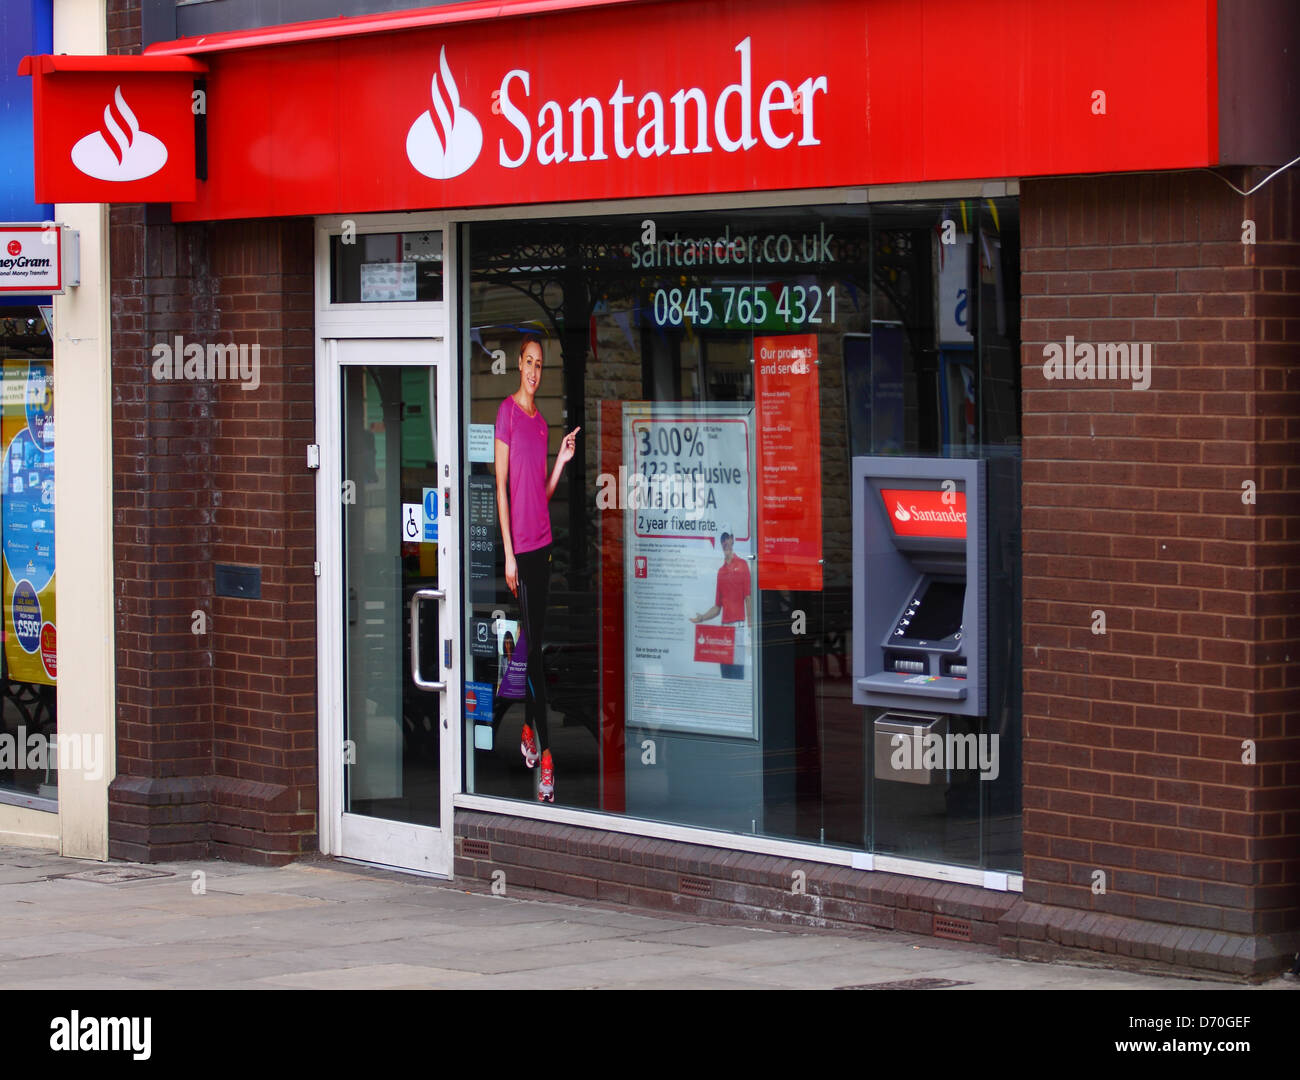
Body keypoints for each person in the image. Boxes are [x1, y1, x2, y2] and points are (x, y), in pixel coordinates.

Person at [494, 336, 578, 802]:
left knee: (535, 644)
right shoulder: (506, 412)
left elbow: (538, 496)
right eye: (528, 362)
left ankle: (527, 727)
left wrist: (561, 462)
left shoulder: (543, 425)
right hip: (520, 552)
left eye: (540, 364)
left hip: (543, 545)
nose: (533, 370)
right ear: (518, 366)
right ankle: (546, 758)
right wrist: (508, 553)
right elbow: (503, 488)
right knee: (538, 656)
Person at [689, 531, 752, 678]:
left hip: (739, 631)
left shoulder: (743, 565)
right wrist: (702, 618)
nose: (725, 542)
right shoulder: (720, 572)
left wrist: (750, 632)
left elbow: (748, 599)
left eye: (728, 538)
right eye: (723, 540)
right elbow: (717, 607)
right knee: (725, 675)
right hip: (724, 633)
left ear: (733, 539)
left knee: (736, 674)